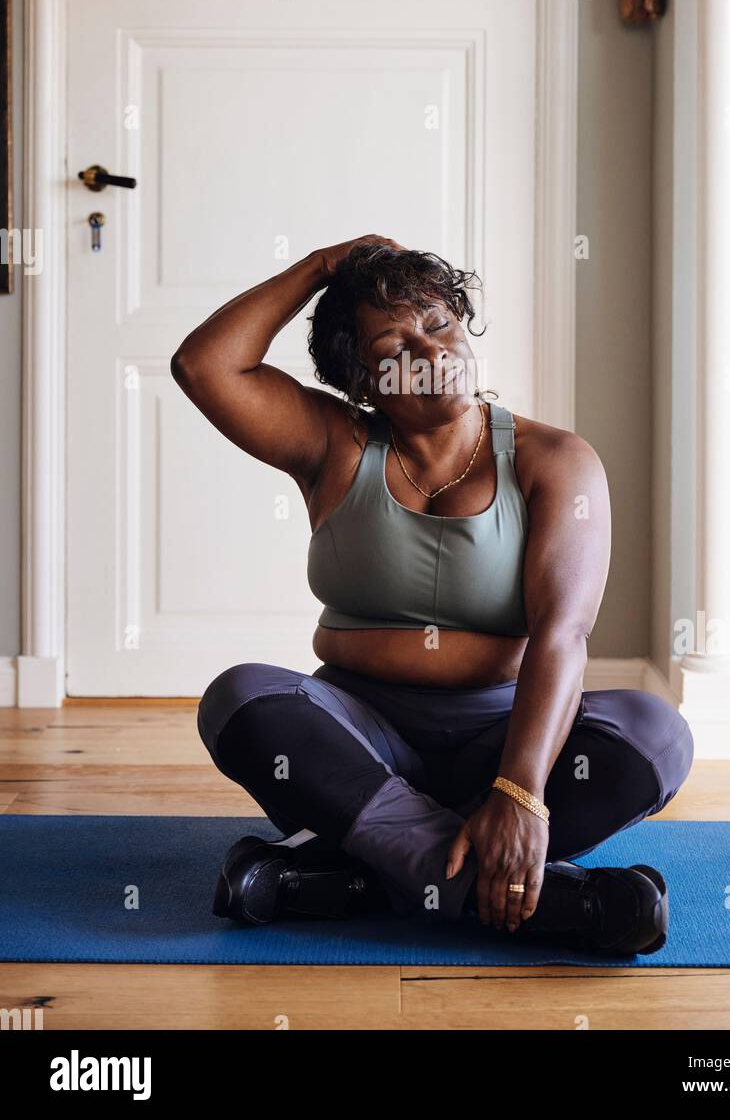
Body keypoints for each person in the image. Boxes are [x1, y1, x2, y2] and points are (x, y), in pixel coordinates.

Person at [171, 237, 694, 954]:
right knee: (240, 699)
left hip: (509, 742)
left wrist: (519, 793)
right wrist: (323, 265)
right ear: (361, 382)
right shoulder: (333, 444)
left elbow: (561, 632)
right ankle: (540, 901)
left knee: (657, 734)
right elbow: (204, 365)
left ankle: (351, 876)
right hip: (359, 748)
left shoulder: (553, 460)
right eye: (393, 345)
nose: (430, 350)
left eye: (439, 322)